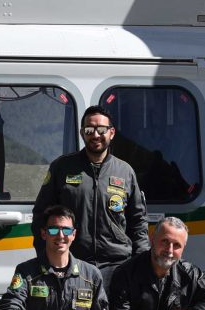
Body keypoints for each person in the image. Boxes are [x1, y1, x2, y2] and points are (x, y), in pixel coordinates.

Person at [32, 105, 150, 271]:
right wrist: (44, 256)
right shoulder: (62, 167)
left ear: (112, 132)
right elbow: (40, 215)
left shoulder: (125, 172)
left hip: (117, 265)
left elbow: (138, 221)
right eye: (89, 130)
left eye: (101, 129)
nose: (95, 135)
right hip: (73, 264)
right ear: (82, 133)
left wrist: (141, 261)